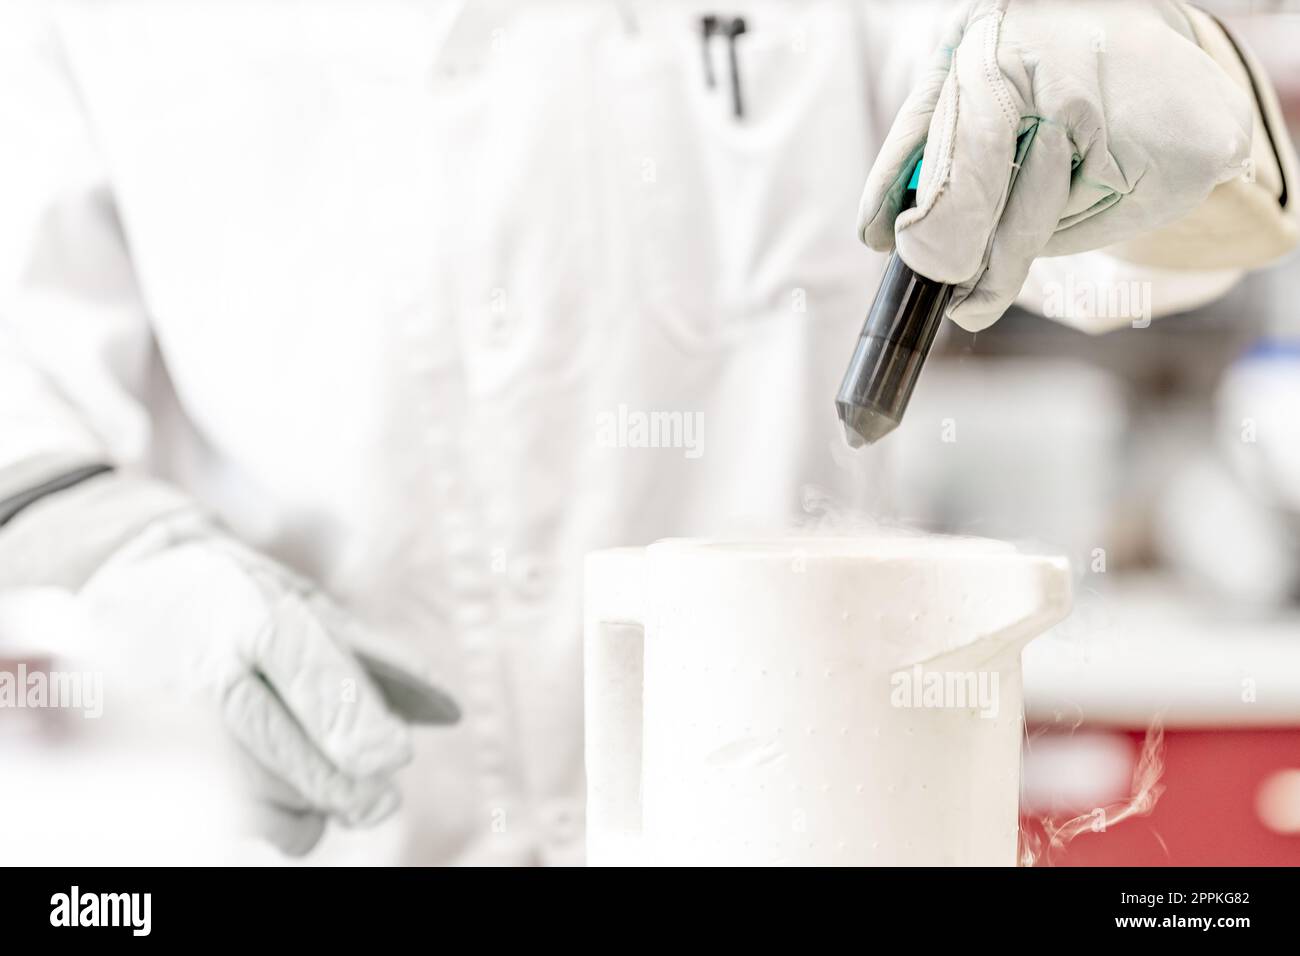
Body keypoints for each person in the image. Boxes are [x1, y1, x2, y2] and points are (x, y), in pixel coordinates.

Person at [0, 0, 1294, 864]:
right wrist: (132, 567)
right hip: (318, 829)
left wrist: (1151, 65)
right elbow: (25, 394)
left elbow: (1117, 219)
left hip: (804, 815)